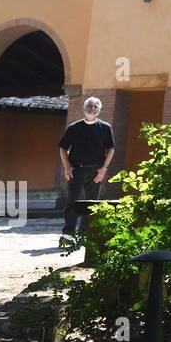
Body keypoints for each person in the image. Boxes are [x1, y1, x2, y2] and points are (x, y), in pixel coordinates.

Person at [57, 96, 115, 239]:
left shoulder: (105, 128)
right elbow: (63, 148)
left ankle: (85, 234)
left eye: (95, 106)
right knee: (72, 201)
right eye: (90, 106)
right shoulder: (74, 128)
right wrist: (67, 167)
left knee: (91, 203)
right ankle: (68, 234)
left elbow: (111, 149)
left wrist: (104, 169)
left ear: (99, 110)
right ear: (85, 108)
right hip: (75, 170)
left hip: (96, 171)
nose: (92, 108)